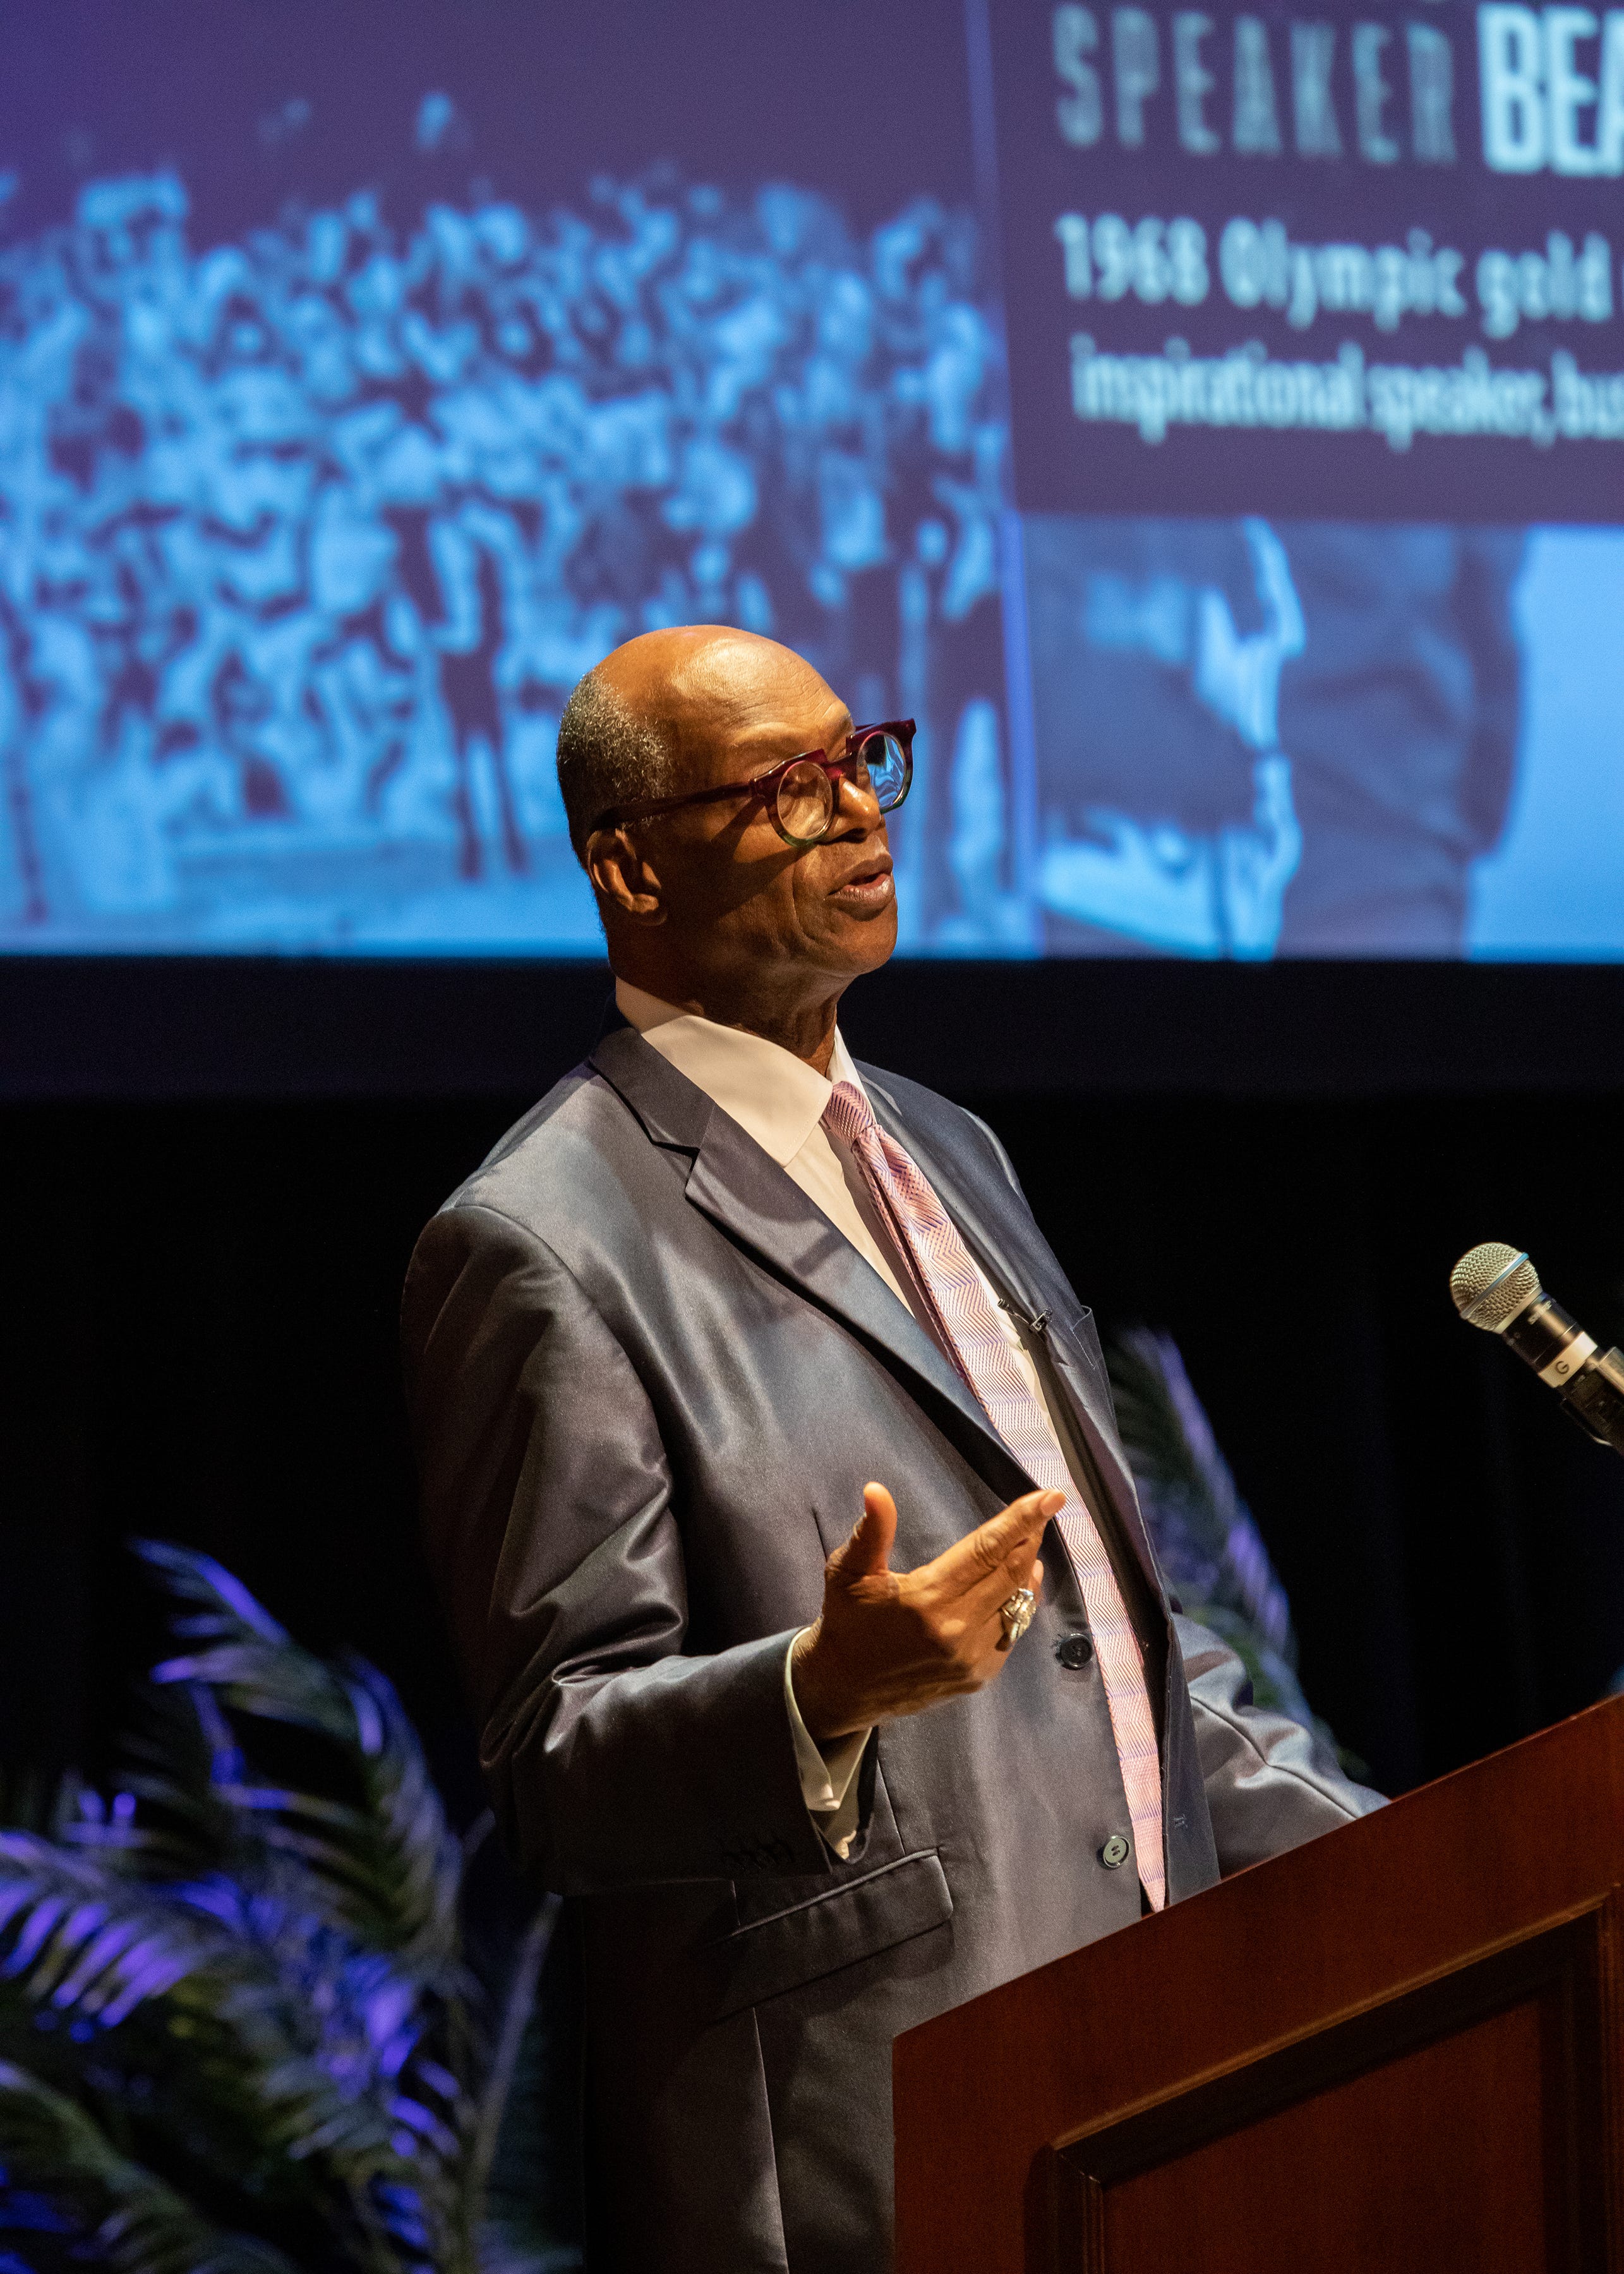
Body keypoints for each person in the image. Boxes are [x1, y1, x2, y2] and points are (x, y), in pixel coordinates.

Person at [400, 625, 1382, 2274]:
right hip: (873, 2144)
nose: (858, 811)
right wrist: (817, 1690)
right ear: (629, 866)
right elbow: (561, 1768)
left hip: (1146, 2087)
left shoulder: (949, 1145)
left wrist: (1405, 1865)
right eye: (787, 786)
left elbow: (1105, 1636)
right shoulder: (537, 1242)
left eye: (863, 760)